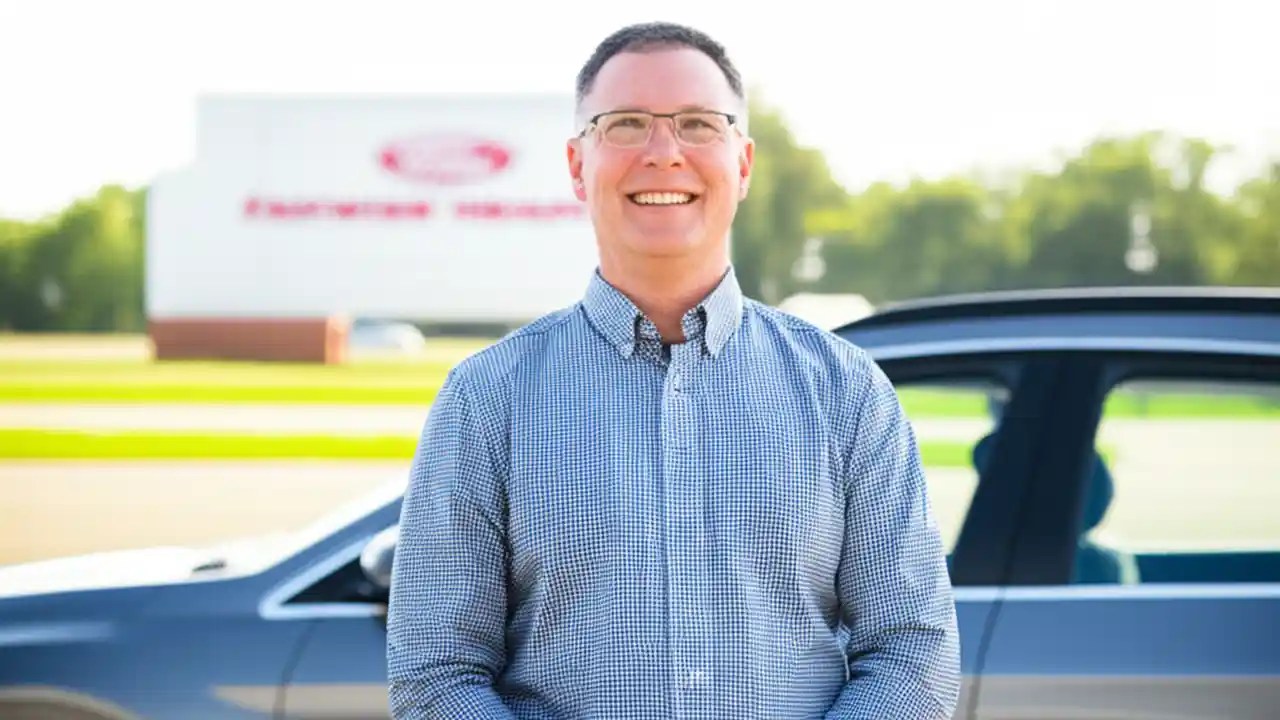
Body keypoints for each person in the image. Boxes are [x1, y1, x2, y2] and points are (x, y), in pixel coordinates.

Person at [386, 21, 961, 719]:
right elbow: (436, 673)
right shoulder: (486, 400)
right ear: (576, 164)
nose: (664, 153)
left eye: (697, 124)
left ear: (743, 164)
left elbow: (911, 652)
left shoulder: (847, 393)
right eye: (626, 124)